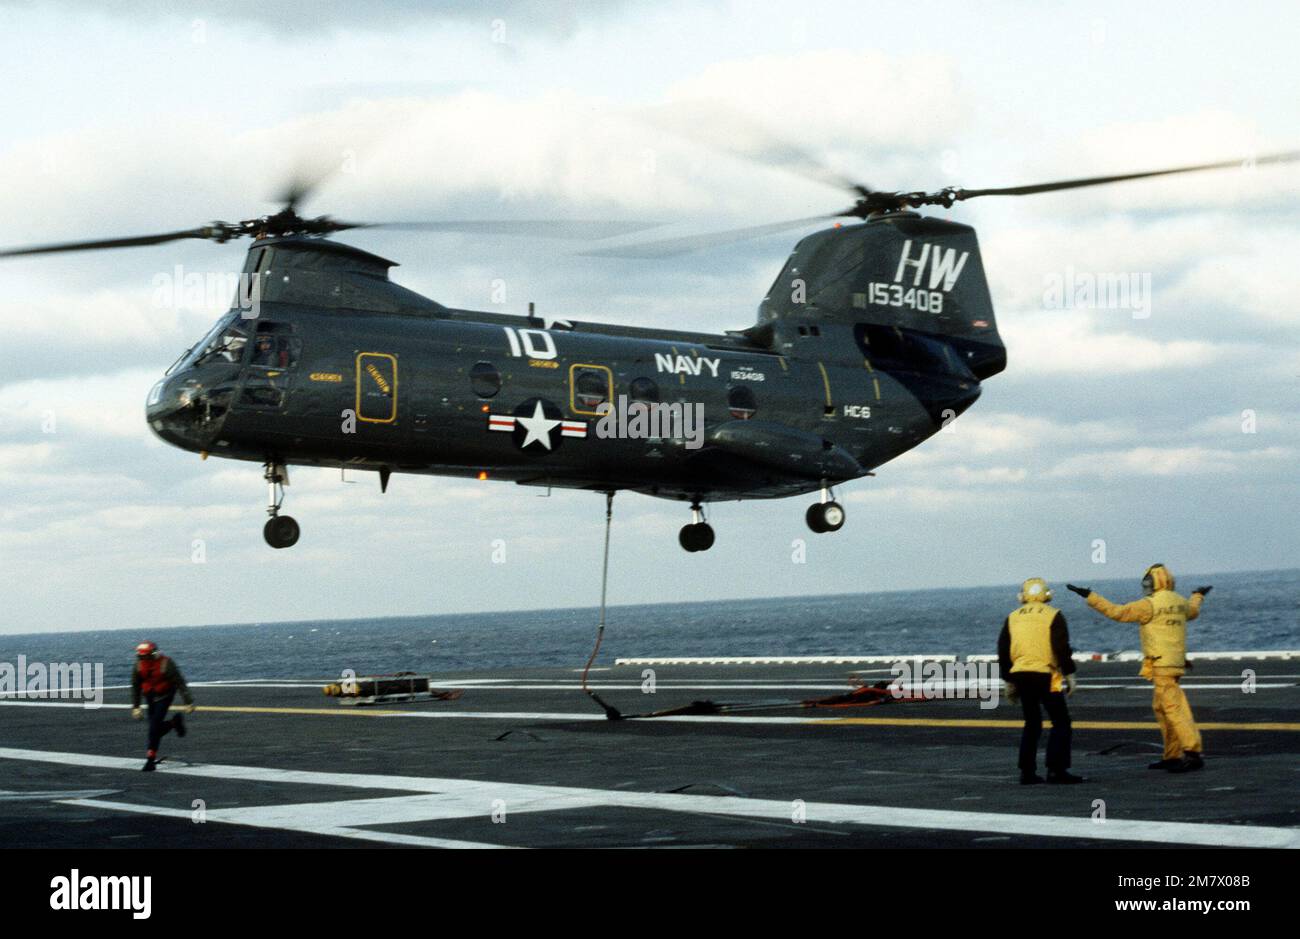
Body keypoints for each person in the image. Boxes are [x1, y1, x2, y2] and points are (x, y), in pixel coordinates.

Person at [1067, 565, 1210, 773]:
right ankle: (1172, 756)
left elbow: (1118, 612)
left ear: (1153, 583)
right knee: (1163, 709)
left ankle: (1192, 753)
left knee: (1174, 709)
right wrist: (1197, 595)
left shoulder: (1149, 605)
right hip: (1175, 663)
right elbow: (1194, 611)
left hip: (1161, 664)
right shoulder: (1180, 602)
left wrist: (1090, 596)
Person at [997, 578, 1083, 785]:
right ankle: (1056, 770)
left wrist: (1009, 681)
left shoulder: (1013, 617)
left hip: (1021, 675)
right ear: (1047, 595)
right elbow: (1061, 648)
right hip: (1047, 674)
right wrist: (1070, 675)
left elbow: (1003, 650)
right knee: (1061, 721)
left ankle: (1026, 772)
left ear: (1022, 596)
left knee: (1032, 723)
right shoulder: (1053, 615)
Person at [130, 641, 195, 772]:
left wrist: (188, 701)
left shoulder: (166, 664)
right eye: (141, 657)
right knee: (155, 729)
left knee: (153, 728)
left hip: (165, 696)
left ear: (152, 654)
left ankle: (150, 760)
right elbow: (135, 686)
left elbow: (179, 682)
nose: (143, 659)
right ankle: (174, 723)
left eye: (145, 656)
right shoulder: (138, 666)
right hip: (150, 697)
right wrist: (136, 707)